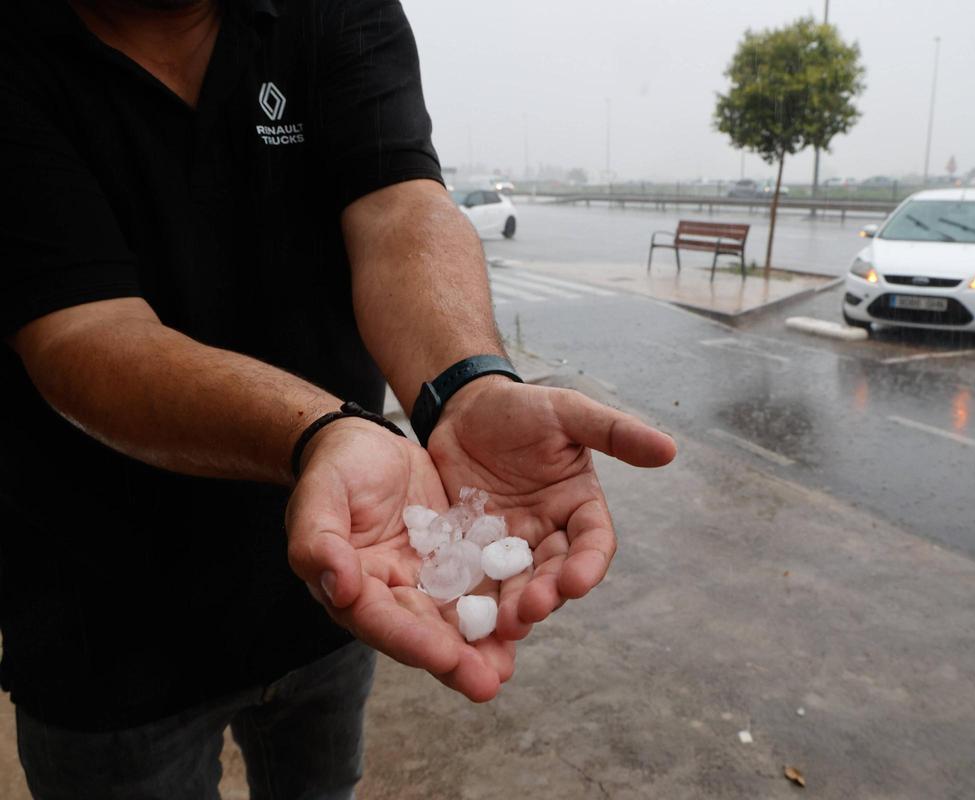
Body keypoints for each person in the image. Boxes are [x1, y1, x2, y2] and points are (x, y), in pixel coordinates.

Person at [0, 0, 677, 797]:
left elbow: (399, 208)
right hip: (102, 631)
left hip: (342, 586)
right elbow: (81, 332)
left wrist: (467, 383)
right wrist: (322, 431)